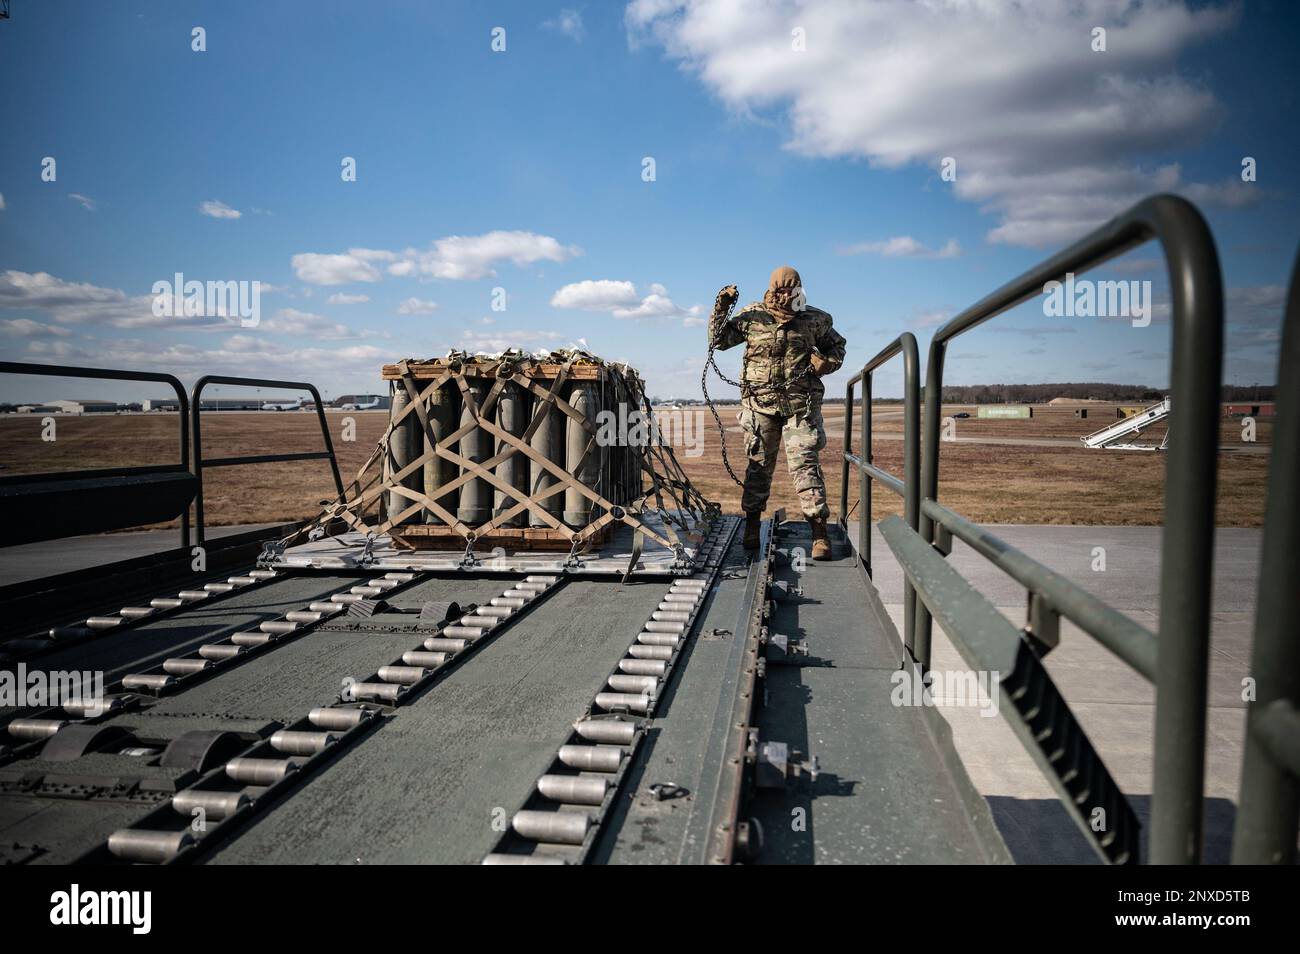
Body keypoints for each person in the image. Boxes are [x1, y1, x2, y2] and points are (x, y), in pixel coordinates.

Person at [709, 265, 846, 558]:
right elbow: (719, 342)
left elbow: (837, 348)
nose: (786, 294)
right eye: (781, 289)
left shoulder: (814, 320)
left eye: (791, 289)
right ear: (772, 289)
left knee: (806, 466)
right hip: (760, 406)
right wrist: (720, 308)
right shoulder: (752, 316)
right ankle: (752, 525)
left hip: (800, 406)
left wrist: (828, 364)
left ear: (799, 290)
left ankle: (819, 532)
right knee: (758, 467)